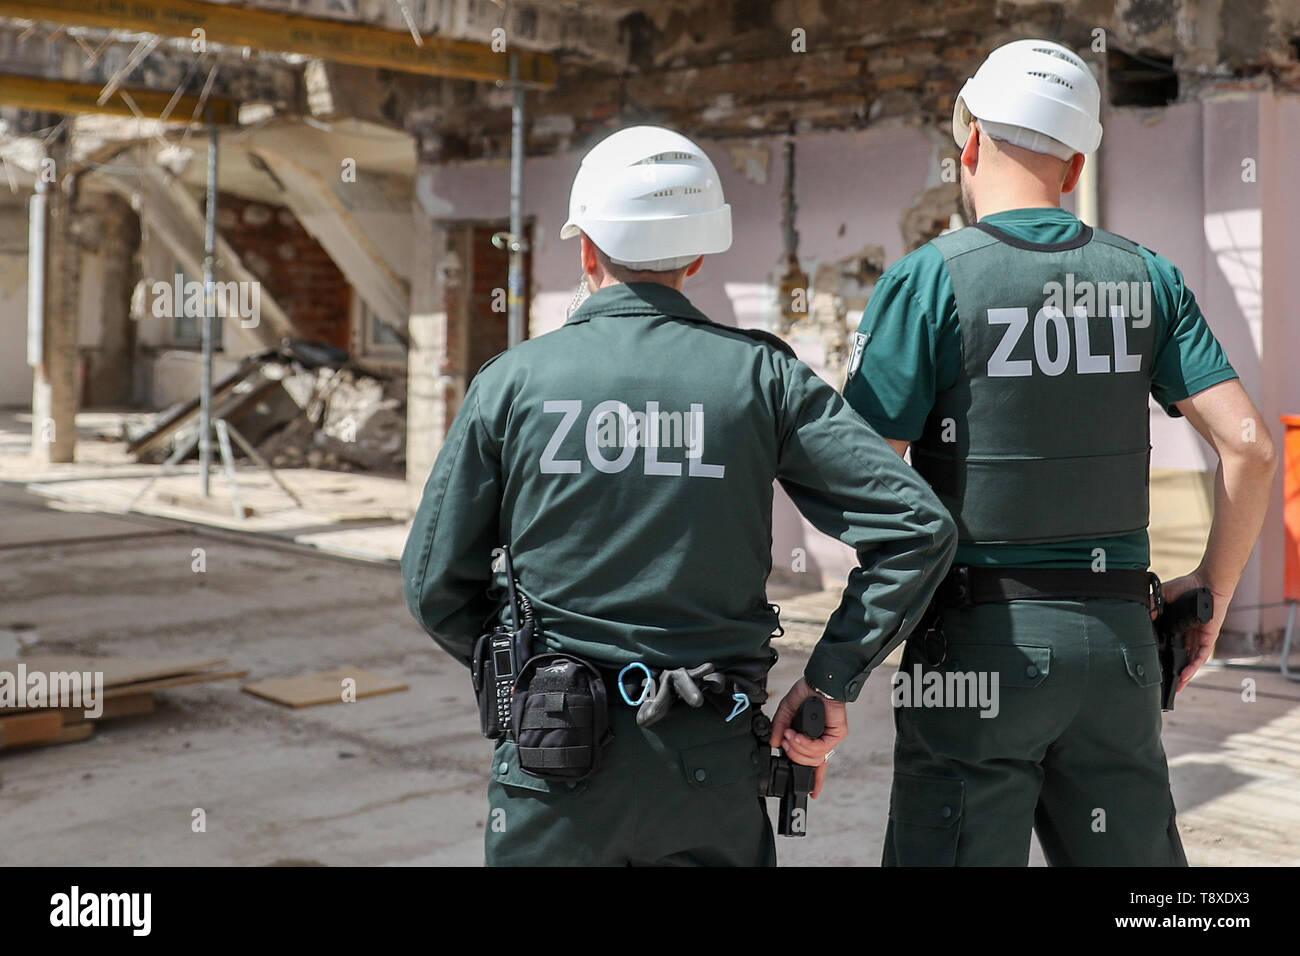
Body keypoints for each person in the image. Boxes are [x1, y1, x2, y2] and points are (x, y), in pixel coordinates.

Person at [402, 124, 956, 866]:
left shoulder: (513, 382)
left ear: (587, 249)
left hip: (552, 763)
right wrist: (829, 679)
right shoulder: (764, 378)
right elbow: (917, 528)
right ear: (699, 255)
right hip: (713, 766)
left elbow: (434, 584)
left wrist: (522, 667)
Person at [842, 39, 1277, 866]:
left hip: (974, 652)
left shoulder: (929, 280)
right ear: (1075, 166)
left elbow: (859, 472)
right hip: (1119, 649)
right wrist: (1211, 594)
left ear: (968, 142)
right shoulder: (1146, 278)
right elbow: (1251, 448)